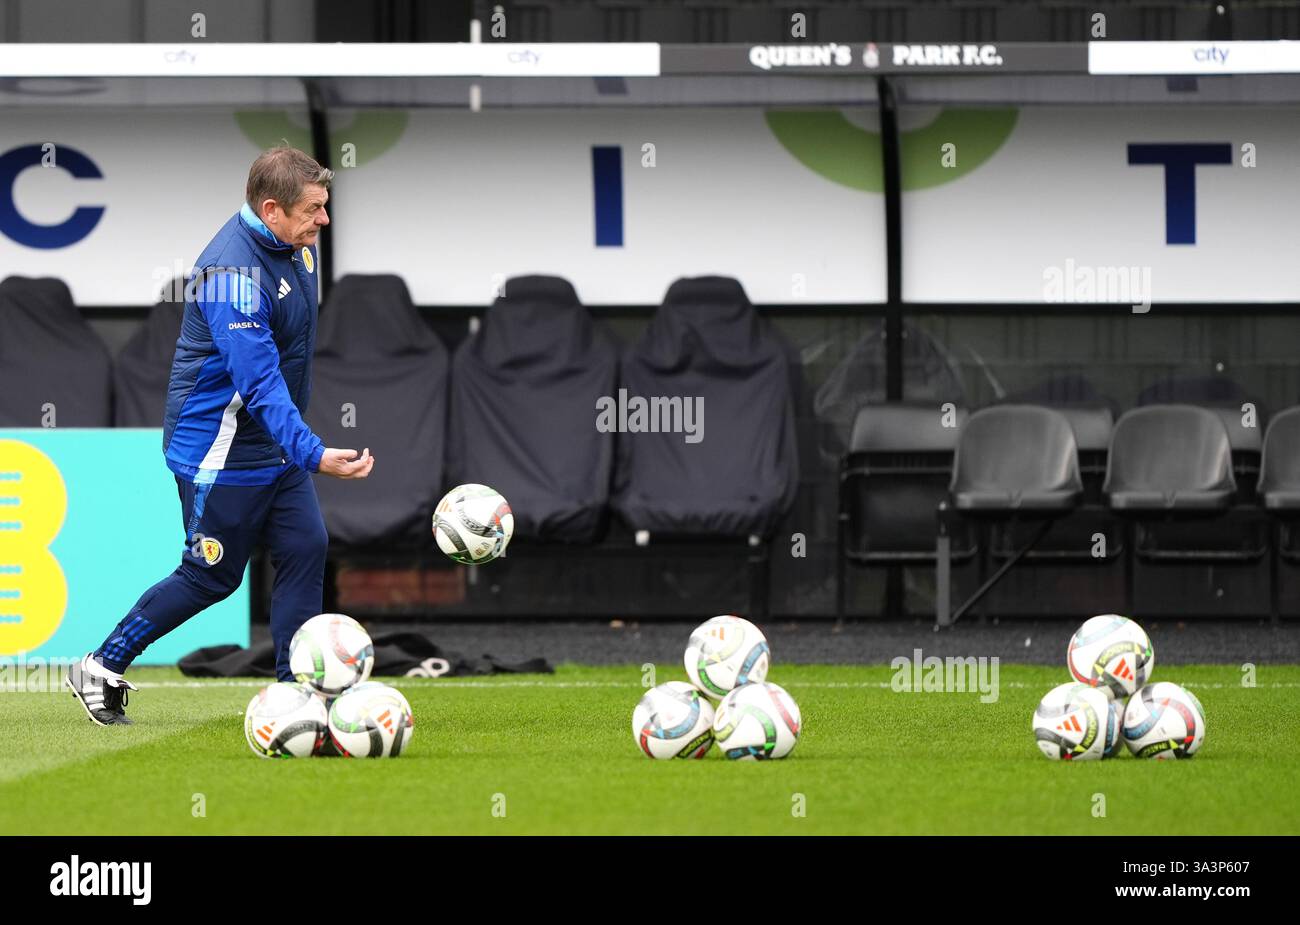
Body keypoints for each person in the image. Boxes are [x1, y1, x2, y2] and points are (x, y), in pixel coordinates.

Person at [66, 145, 374, 726]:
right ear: (271, 208)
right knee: (211, 576)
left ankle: (295, 696)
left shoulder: (296, 247)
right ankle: (100, 667)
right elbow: (258, 383)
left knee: (307, 547)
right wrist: (312, 452)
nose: (324, 221)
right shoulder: (231, 276)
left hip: (271, 445)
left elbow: (290, 361)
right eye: (314, 209)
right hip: (219, 452)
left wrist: (294, 446)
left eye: (325, 207)